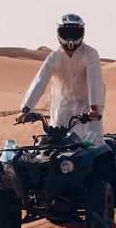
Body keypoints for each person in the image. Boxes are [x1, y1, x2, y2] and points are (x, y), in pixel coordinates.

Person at [16, 14, 105, 145]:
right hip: (63, 107)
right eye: (66, 32)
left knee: (94, 143)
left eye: (75, 32)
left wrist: (94, 109)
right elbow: (40, 81)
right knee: (57, 144)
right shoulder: (54, 57)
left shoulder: (90, 53)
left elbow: (94, 81)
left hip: (89, 106)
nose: (71, 37)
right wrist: (25, 109)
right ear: (59, 34)